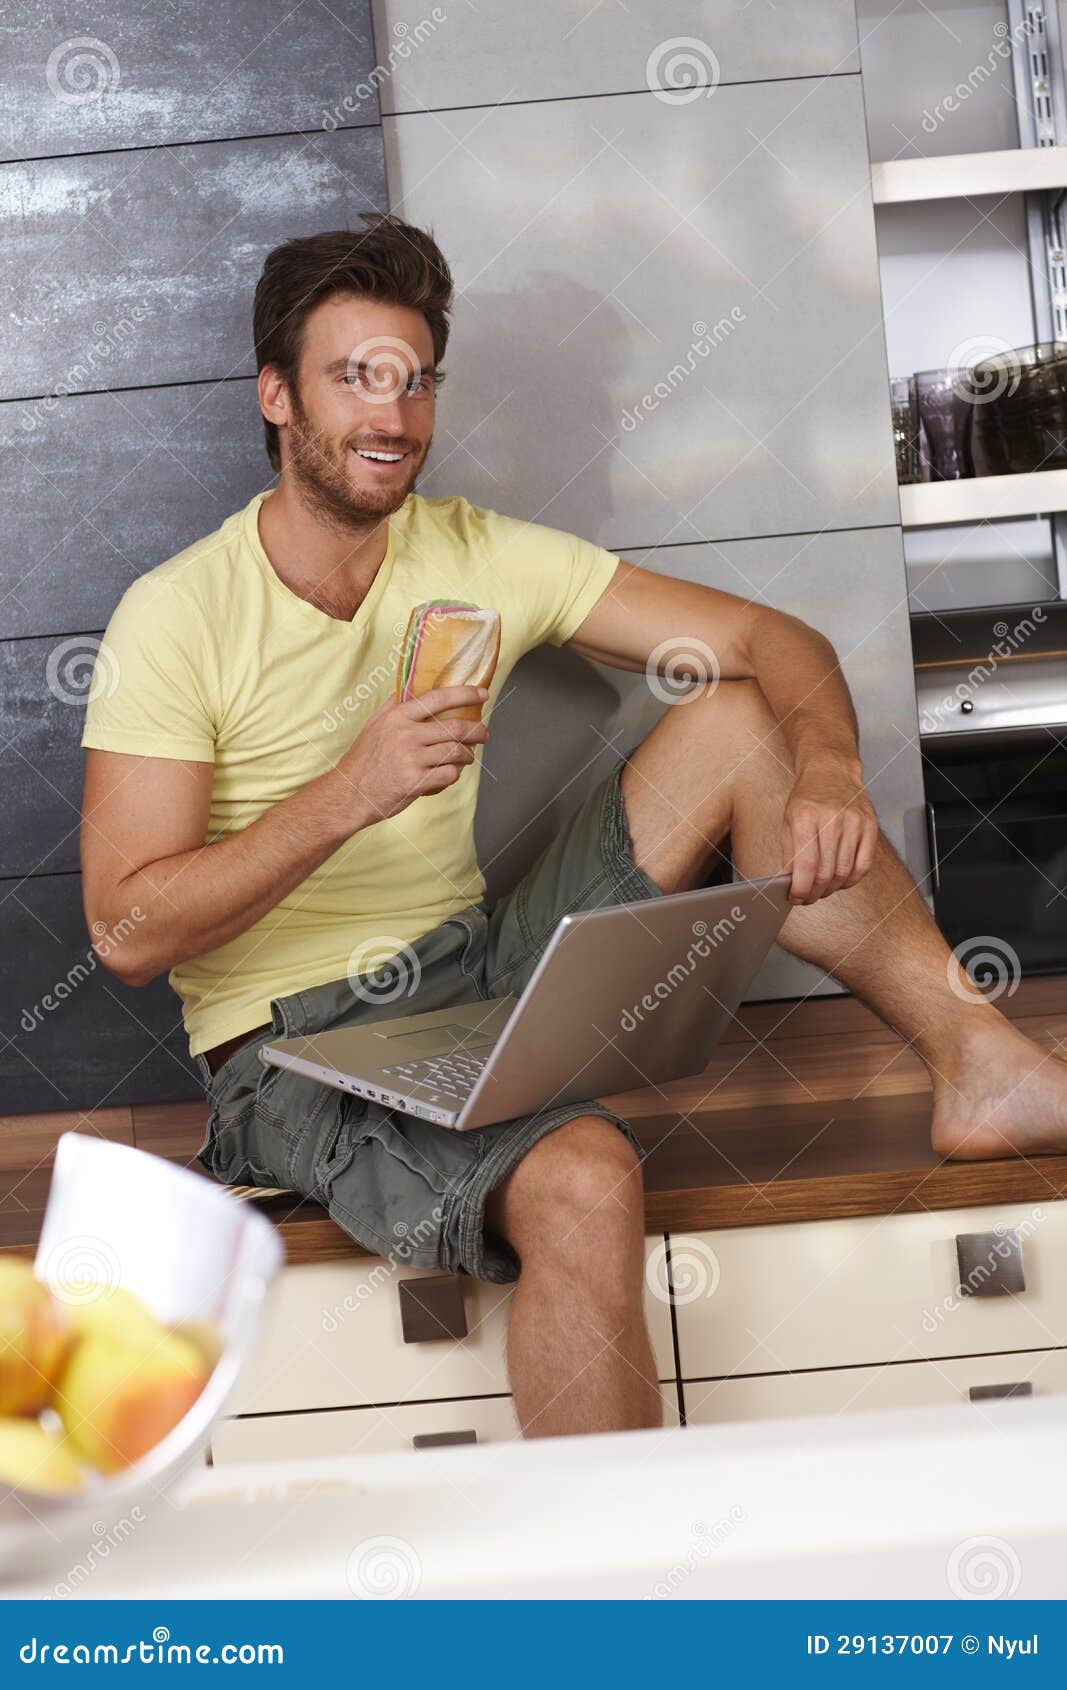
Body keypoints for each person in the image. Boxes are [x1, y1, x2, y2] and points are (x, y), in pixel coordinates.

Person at [79, 213, 1067, 1440]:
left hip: (474, 971)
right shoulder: (174, 616)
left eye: (413, 379)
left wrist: (824, 771)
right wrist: (353, 788)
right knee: (589, 1176)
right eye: (352, 378)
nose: (390, 414)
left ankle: (976, 1061)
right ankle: (615, 1612)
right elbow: (125, 929)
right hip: (288, 1046)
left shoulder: (473, 551)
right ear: (277, 396)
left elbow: (771, 642)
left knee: (745, 719)